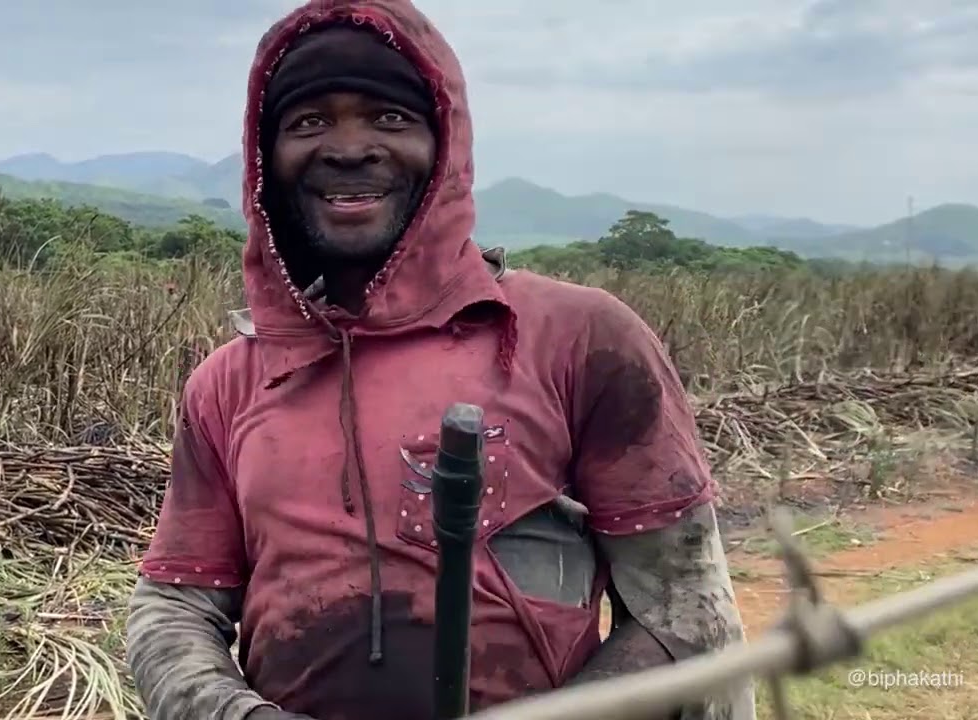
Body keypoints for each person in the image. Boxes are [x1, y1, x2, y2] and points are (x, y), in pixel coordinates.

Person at [125, 1, 755, 719]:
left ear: (447, 144)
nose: (350, 147)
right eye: (309, 122)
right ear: (265, 163)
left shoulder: (579, 339)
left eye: (389, 118)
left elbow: (686, 616)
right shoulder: (229, 384)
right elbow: (174, 606)